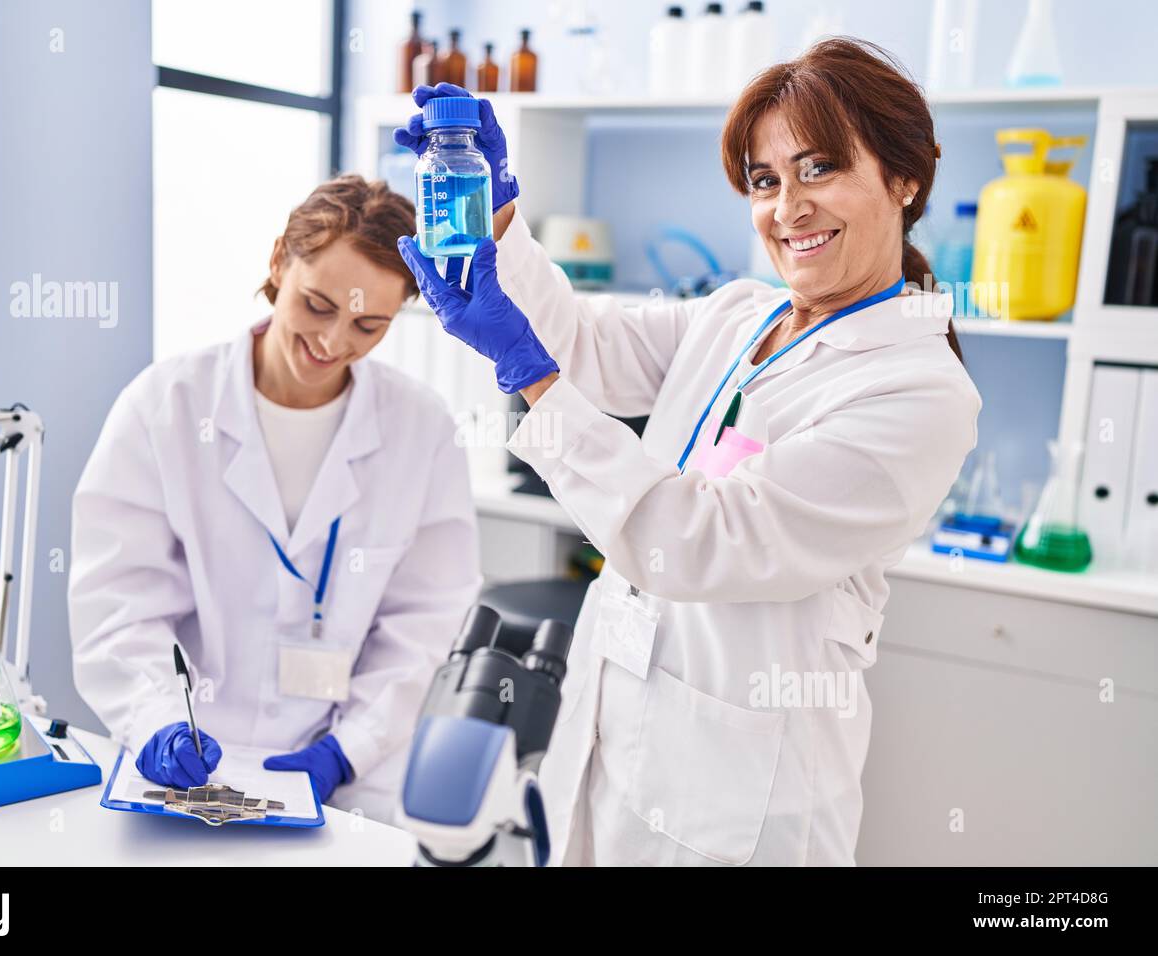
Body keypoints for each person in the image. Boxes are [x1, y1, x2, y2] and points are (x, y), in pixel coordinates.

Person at [394, 39, 981, 865]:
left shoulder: (917, 392)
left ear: (905, 177)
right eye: (766, 181)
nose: (789, 207)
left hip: (744, 801)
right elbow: (587, 350)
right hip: (613, 741)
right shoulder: (739, 314)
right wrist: (492, 214)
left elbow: (701, 540)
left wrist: (529, 375)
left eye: (820, 169)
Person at [69, 174, 481, 819]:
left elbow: (428, 621)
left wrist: (349, 749)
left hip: (351, 771)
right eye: (317, 305)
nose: (334, 342)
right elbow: (118, 604)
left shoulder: (421, 428)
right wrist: (156, 723)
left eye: (368, 324)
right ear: (278, 264)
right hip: (191, 758)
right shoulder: (167, 406)